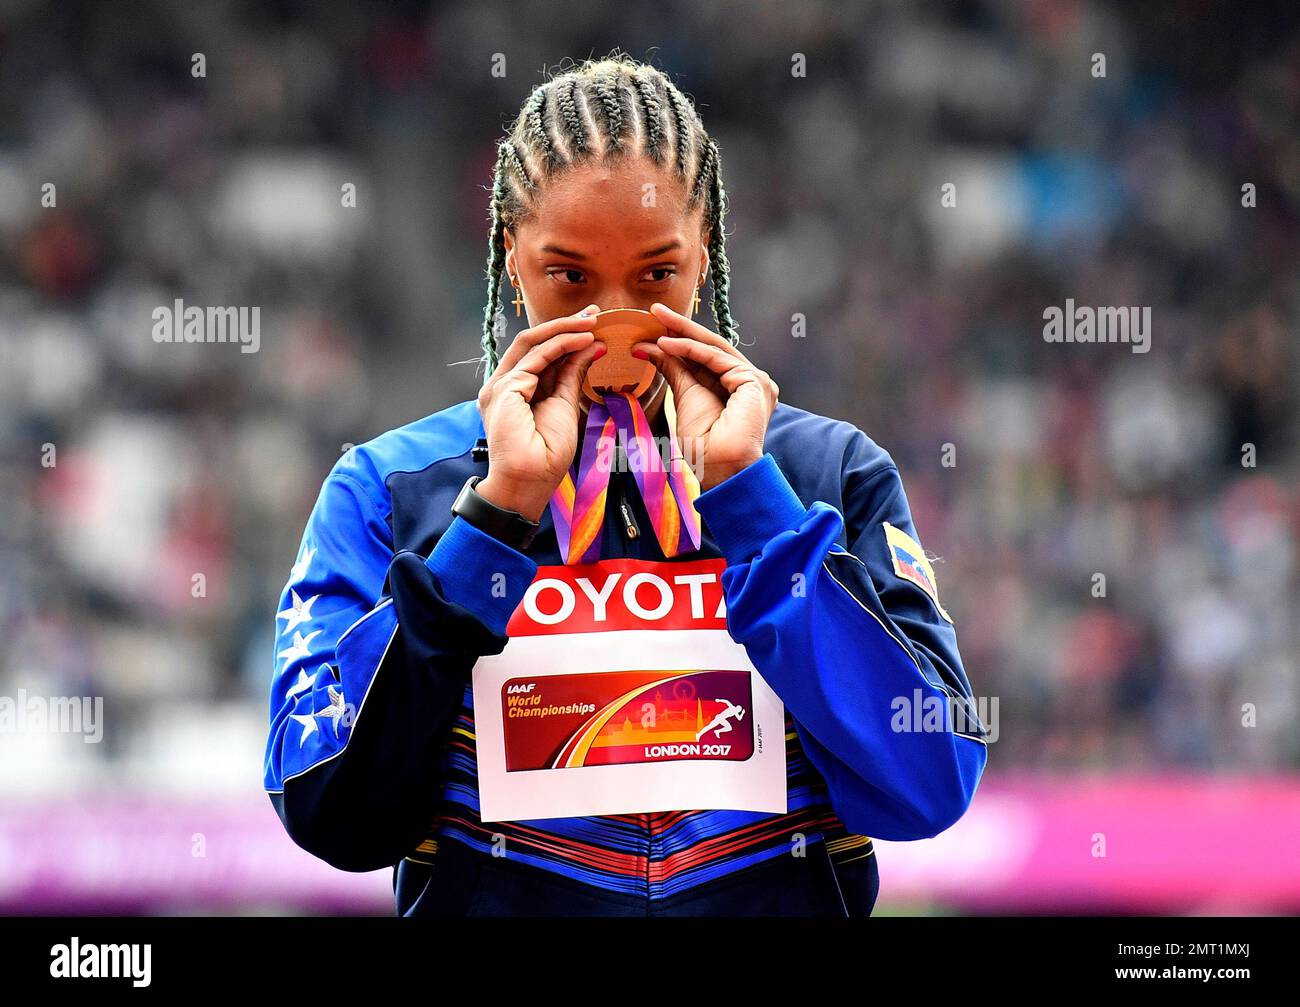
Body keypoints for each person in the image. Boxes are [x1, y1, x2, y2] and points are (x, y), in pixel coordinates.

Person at [263, 54, 988, 917]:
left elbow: (934, 776)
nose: (612, 320)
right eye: (568, 276)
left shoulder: (829, 474)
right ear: (511, 254)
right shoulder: (387, 489)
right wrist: (492, 524)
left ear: (706, 249)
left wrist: (752, 508)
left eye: (655, 275)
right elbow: (330, 812)